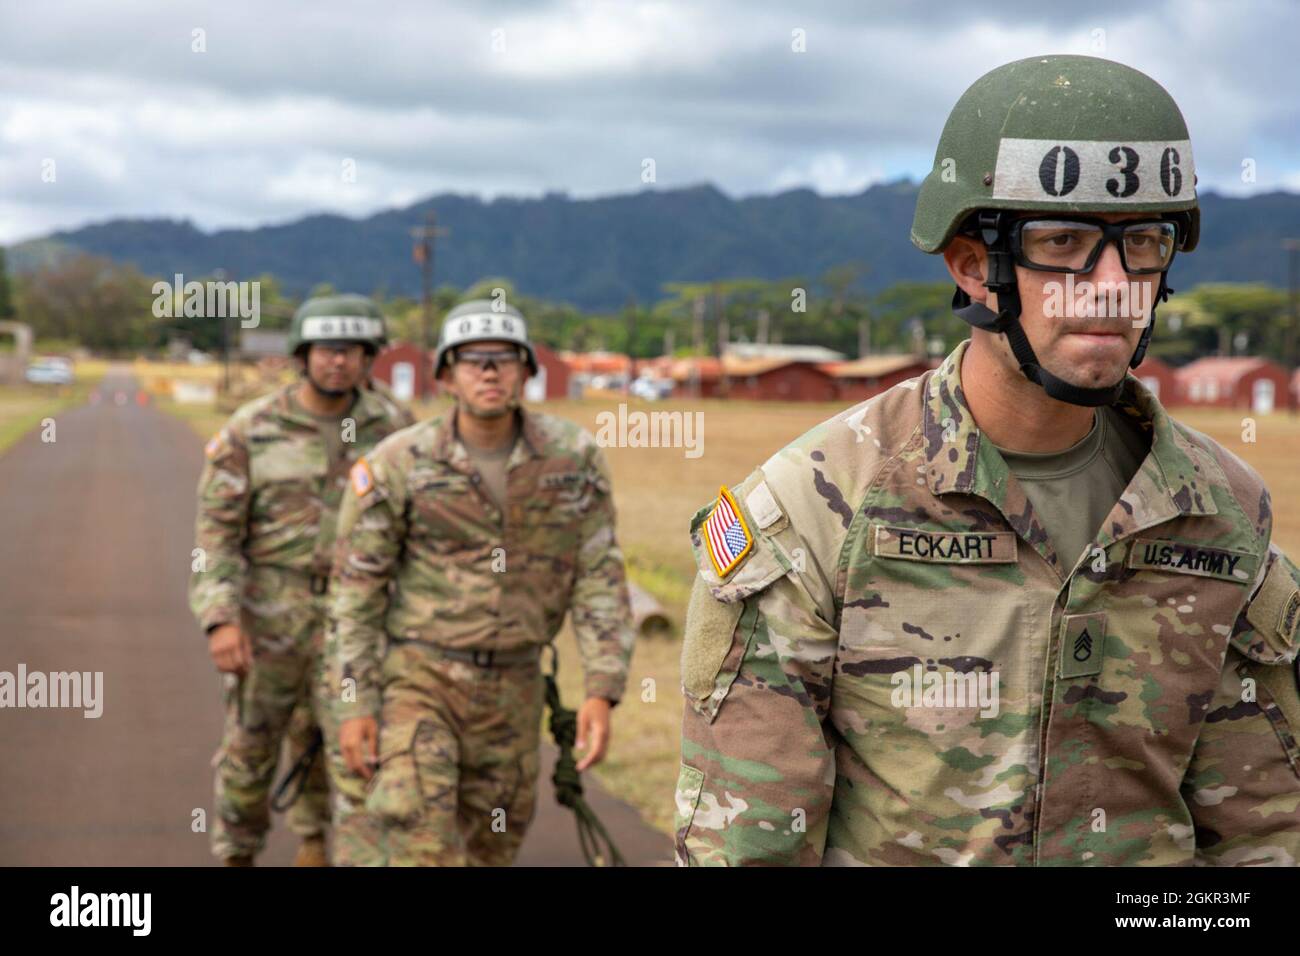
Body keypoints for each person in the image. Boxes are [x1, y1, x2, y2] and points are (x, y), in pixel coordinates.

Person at [674, 55, 1300, 866]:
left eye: (1142, 244)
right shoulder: (816, 507)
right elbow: (749, 848)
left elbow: (1261, 829)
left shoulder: (1224, 510)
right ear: (973, 265)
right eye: (1064, 243)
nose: (1110, 286)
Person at [327, 298, 635, 865]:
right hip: (420, 682)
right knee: (418, 840)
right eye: (472, 360)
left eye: (504, 358)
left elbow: (598, 574)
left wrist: (602, 687)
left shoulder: (573, 459)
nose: (489, 371)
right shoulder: (398, 462)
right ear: (445, 375)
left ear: (527, 371)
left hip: (515, 691)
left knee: (492, 847)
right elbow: (355, 594)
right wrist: (354, 703)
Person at [189, 293, 413, 866]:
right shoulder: (252, 430)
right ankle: (237, 855)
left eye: (353, 351)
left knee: (357, 750)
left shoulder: (396, 430)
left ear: (369, 358)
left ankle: (322, 847)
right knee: (250, 753)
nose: (337, 362)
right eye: (326, 350)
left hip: (358, 624)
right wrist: (220, 618)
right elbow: (215, 534)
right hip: (270, 623)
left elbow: (421, 527)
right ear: (302, 354)